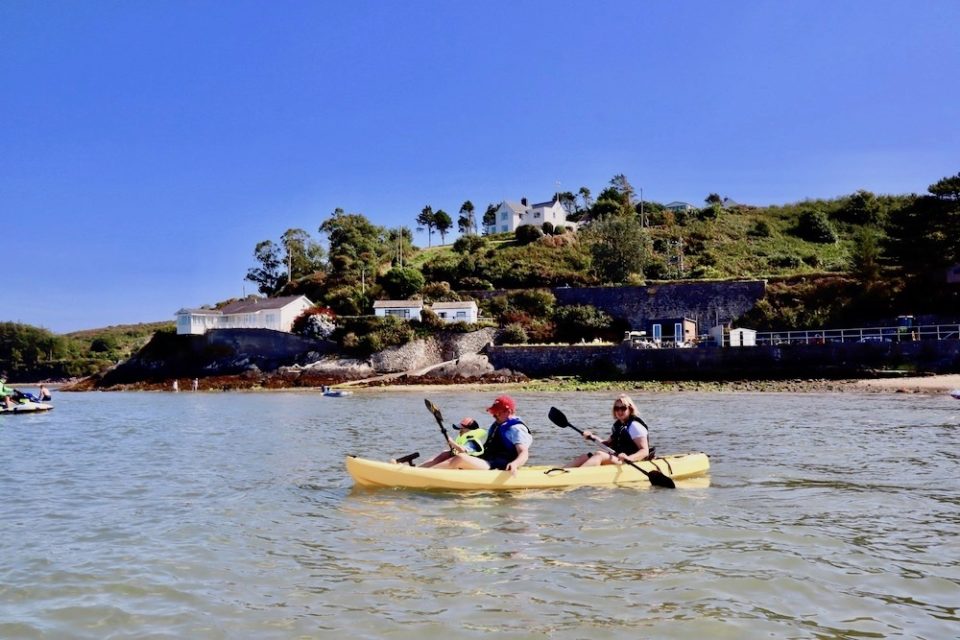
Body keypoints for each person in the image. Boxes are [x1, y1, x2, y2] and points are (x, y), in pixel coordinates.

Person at [431, 395, 532, 474]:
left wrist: (514, 464)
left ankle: (428, 474)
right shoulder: (497, 425)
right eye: (493, 413)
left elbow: (524, 453)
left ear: (508, 411)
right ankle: (422, 470)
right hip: (487, 459)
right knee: (447, 453)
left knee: (461, 458)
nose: (494, 415)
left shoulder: (517, 429)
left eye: (497, 413)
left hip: (500, 465)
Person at [567, 394, 651, 468]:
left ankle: (575, 476)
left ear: (630, 409)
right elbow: (607, 444)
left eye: (623, 408)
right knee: (585, 457)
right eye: (616, 408)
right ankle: (562, 473)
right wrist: (591, 436)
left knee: (599, 455)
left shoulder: (635, 426)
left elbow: (645, 451)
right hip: (617, 458)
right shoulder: (618, 425)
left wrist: (629, 458)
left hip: (630, 462)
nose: (619, 411)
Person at [417, 418, 488, 467]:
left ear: (469, 429)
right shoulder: (467, 437)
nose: (459, 430)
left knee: (452, 457)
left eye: (462, 428)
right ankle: (419, 468)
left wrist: (452, 442)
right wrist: (452, 446)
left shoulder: (472, 440)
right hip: (466, 460)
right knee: (445, 453)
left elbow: (463, 451)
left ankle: (426, 470)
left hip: (476, 463)